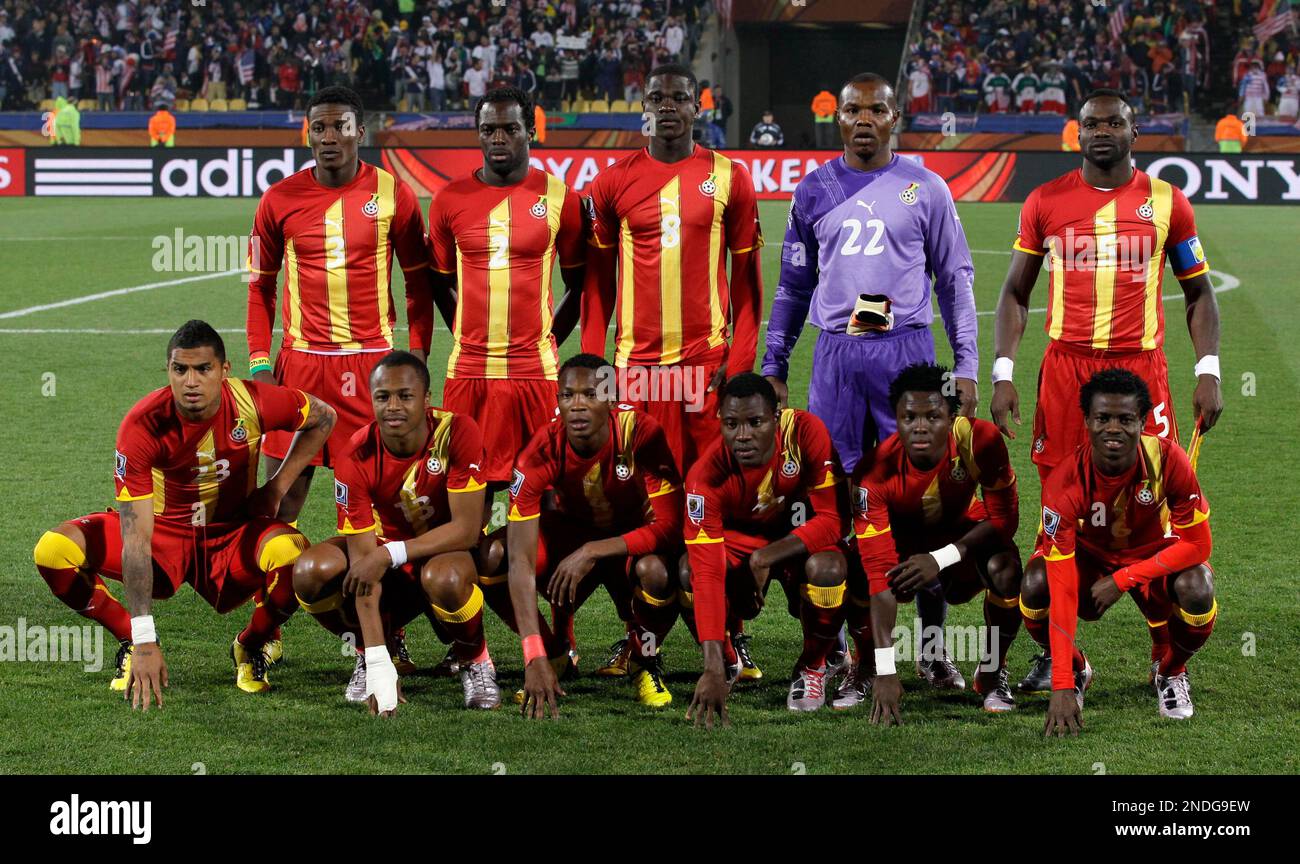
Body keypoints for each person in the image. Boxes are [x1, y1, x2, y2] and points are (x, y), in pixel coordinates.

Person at [991, 89, 1223, 691]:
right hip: (1065, 374)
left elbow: (1199, 293)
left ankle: (1164, 658)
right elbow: (1015, 293)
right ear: (1077, 132)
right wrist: (1003, 373)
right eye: (1090, 123)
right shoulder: (1044, 201)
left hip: (1141, 374)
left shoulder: (1170, 202)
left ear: (1134, 131)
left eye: (1113, 122)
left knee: (1159, 519)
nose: (1101, 131)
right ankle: (1063, 659)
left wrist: (1209, 370)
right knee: (1054, 530)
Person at [762, 72, 979, 686]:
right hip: (835, 360)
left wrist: (964, 365)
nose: (864, 119)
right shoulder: (814, 190)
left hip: (907, 357)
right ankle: (848, 652)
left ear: (895, 118)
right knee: (837, 500)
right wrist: (774, 366)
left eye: (877, 110)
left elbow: (955, 281)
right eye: (853, 109)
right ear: (839, 120)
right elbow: (792, 288)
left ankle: (934, 650)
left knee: (926, 501)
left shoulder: (926, 188)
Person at [32, 321, 337, 707]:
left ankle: (251, 644)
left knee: (294, 555)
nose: (191, 381)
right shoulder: (142, 425)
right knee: (54, 550)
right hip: (162, 536)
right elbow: (137, 538)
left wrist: (276, 486)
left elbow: (324, 417)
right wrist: (143, 638)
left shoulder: (254, 401)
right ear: (168, 371)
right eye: (180, 370)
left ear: (224, 372)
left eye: (203, 369)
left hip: (232, 536)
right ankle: (129, 638)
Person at [246, 85, 438, 527]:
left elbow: (418, 283)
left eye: (340, 126)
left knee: (382, 502)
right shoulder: (276, 200)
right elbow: (260, 287)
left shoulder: (396, 195)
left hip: (371, 365)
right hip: (300, 366)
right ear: (308, 135)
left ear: (360, 132)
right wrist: (259, 364)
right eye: (319, 128)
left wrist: (419, 353)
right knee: (279, 500)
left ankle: (376, 590)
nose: (329, 137)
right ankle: (268, 593)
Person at [581, 63, 763, 478]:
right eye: (657, 99)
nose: (667, 107)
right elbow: (598, 285)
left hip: (704, 366)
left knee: (707, 485)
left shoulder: (730, 177)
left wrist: (739, 364)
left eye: (679, 98)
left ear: (697, 108)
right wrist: (595, 364)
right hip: (634, 371)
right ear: (643, 106)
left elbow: (747, 283)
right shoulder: (611, 182)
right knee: (639, 490)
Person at [292, 352, 496, 714]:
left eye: (405, 395)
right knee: (310, 571)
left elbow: (465, 531)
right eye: (383, 397)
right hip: (384, 560)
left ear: (427, 400)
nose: (393, 406)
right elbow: (362, 566)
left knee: (445, 577)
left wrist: (390, 553)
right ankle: (377, 648)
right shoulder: (354, 454)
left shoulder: (457, 432)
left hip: (445, 554)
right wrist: (377, 662)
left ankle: (474, 659)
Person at [1031, 369, 1216, 735]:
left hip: (1152, 558)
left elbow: (1199, 545)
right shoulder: (1063, 483)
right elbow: (1064, 586)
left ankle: (1170, 670)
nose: (1113, 428)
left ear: (1143, 422)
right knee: (1036, 584)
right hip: (1091, 562)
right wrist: (1062, 684)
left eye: (1125, 419)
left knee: (1198, 586)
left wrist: (1124, 578)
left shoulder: (1168, 459)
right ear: (1086, 420)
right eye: (1102, 418)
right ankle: (1077, 668)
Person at [427, 85, 585, 497]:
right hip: (469, 371)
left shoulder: (561, 198)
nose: (498, 138)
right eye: (488, 129)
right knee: (464, 493)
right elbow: (438, 281)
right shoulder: (448, 200)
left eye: (509, 128)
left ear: (530, 130)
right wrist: (466, 331)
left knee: (544, 491)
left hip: (535, 372)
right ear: (478, 133)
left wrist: (547, 339)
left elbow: (578, 285)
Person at [510, 354, 685, 716]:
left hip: (629, 543)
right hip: (571, 541)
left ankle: (643, 661)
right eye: (567, 396)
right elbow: (519, 560)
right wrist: (533, 655)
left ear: (612, 398)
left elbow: (670, 528)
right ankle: (554, 655)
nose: (577, 406)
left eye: (590, 394)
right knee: (494, 555)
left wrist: (593, 550)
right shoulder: (539, 451)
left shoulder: (641, 432)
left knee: (659, 571)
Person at [848, 364, 1022, 719]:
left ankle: (992, 671)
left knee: (1006, 570)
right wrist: (886, 668)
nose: (921, 426)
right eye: (909, 416)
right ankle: (866, 665)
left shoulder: (981, 440)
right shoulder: (874, 471)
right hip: (903, 555)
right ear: (895, 418)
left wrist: (941, 558)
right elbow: (879, 570)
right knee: (851, 566)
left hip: (961, 547)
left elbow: (1005, 522)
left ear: (952, 415)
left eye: (934, 416)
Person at [683, 374, 849, 725]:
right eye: (731, 424)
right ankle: (727, 661)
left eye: (755, 422)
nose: (742, 435)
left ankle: (815, 663)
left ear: (776, 418)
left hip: (796, 536)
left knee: (829, 569)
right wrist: (709, 666)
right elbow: (709, 572)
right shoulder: (704, 476)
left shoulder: (804, 432)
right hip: (741, 543)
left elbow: (833, 520)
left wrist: (763, 559)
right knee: (688, 572)